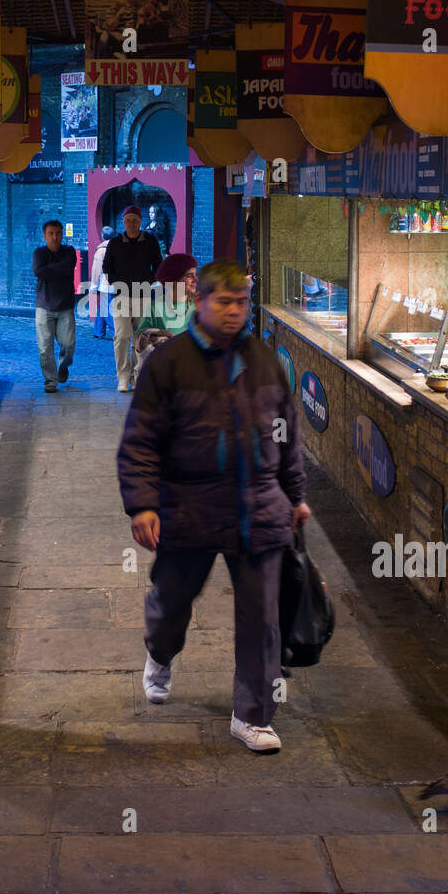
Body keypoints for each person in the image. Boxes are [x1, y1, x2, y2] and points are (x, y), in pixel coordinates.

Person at [117, 259, 311, 753]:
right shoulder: (167, 363)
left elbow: (288, 436)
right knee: (171, 603)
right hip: (189, 508)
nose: (233, 311)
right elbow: (141, 439)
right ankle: (160, 652)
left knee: (261, 618)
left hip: (259, 508)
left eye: (241, 301)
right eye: (223, 301)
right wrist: (143, 504)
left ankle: (253, 715)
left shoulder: (265, 361)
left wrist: (295, 496)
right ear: (198, 301)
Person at [103, 205, 162, 392]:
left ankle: (137, 376)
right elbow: (107, 267)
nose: (132, 223)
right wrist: (115, 281)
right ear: (124, 222)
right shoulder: (115, 243)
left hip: (143, 295)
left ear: (140, 221)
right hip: (121, 296)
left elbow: (158, 265)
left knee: (141, 338)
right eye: (128, 220)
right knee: (121, 337)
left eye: (135, 220)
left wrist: (149, 280)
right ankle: (122, 376)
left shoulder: (150, 241)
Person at [32, 220, 76, 393]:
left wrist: (49, 270)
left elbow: (68, 267)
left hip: (65, 306)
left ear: (62, 234)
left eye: (57, 233)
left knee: (69, 344)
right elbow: (38, 271)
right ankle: (51, 380)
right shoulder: (39, 253)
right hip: (44, 306)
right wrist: (60, 269)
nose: (55, 237)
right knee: (45, 347)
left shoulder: (69, 251)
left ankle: (64, 365)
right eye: (51, 233)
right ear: (44, 236)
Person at [134, 254, 197, 372]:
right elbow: (142, 337)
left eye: (195, 275)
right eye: (190, 276)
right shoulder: (155, 306)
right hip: (165, 369)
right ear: (174, 280)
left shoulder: (200, 305)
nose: (195, 280)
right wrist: (161, 334)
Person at [88, 225, 115, 340]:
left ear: (102, 236)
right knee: (103, 307)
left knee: (106, 308)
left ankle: (115, 331)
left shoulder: (101, 251)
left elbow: (96, 269)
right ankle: (98, 331)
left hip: (106, 282)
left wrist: (93, 284)